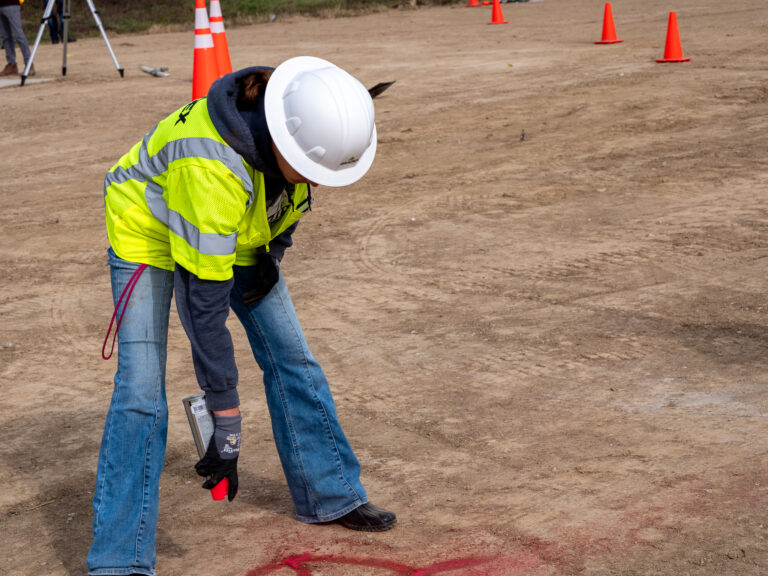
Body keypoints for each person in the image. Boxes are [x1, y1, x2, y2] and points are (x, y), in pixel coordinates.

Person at [88, 56, 396, 576]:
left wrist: (269, 259)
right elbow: (203, 310)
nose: (319, 184)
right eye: (314, 172)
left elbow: (288, 207)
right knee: (140, 393)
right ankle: (120, 557)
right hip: (150, 234)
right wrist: (225, 420)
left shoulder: (300, 119)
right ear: (282, 141)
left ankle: (331, 495)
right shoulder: (211, 168)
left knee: (293, 358)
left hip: (229, 231)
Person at [0, 0, 33, 76]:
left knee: (18, 35)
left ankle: (29, 64)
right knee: (5, 37)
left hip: (11, 4)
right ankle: (11, 64)